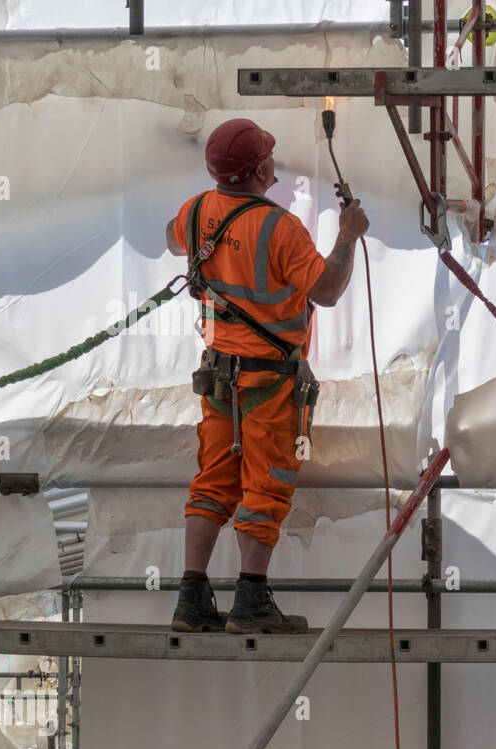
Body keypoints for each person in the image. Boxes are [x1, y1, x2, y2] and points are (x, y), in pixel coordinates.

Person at [165, 117, 368, 633]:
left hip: (216, 377)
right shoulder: (280, 228)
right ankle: (251, 601)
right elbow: (326, 290)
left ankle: (192, 598)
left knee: (212, 482)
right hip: (270, 383)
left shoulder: (194, 212)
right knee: (267, 485)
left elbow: (172, 243)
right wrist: (346, 237)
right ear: (259, 169)